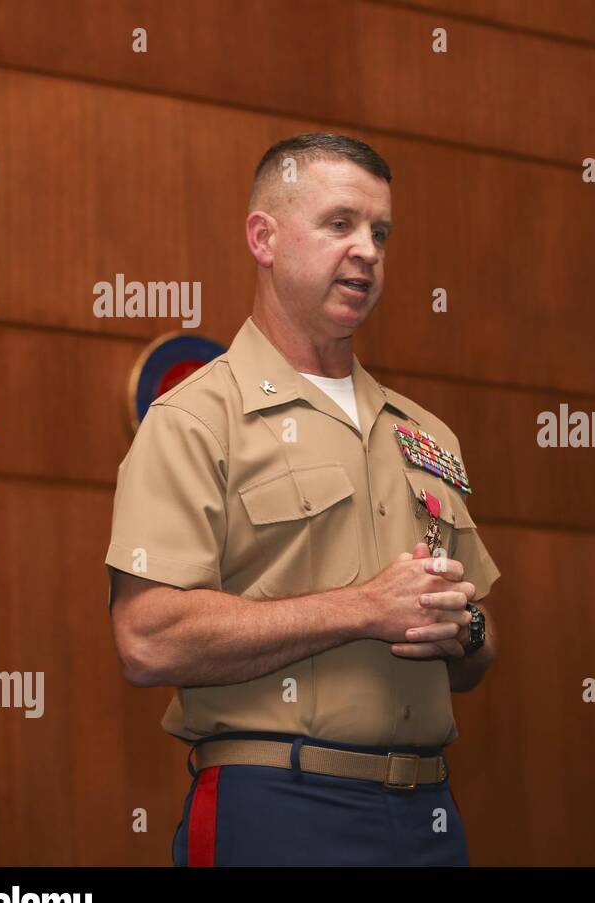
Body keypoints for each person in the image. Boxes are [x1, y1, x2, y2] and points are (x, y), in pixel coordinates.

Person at [104, 133, 501, 866]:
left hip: (429, 815)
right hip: (279, 808)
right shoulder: (196, 417)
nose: (368, 251)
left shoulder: (427, 434)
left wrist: (464, 628)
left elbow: (480, 651)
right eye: (340, 224)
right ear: (265, 237)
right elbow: (147, 638)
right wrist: (364, 608)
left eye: (380, 232)